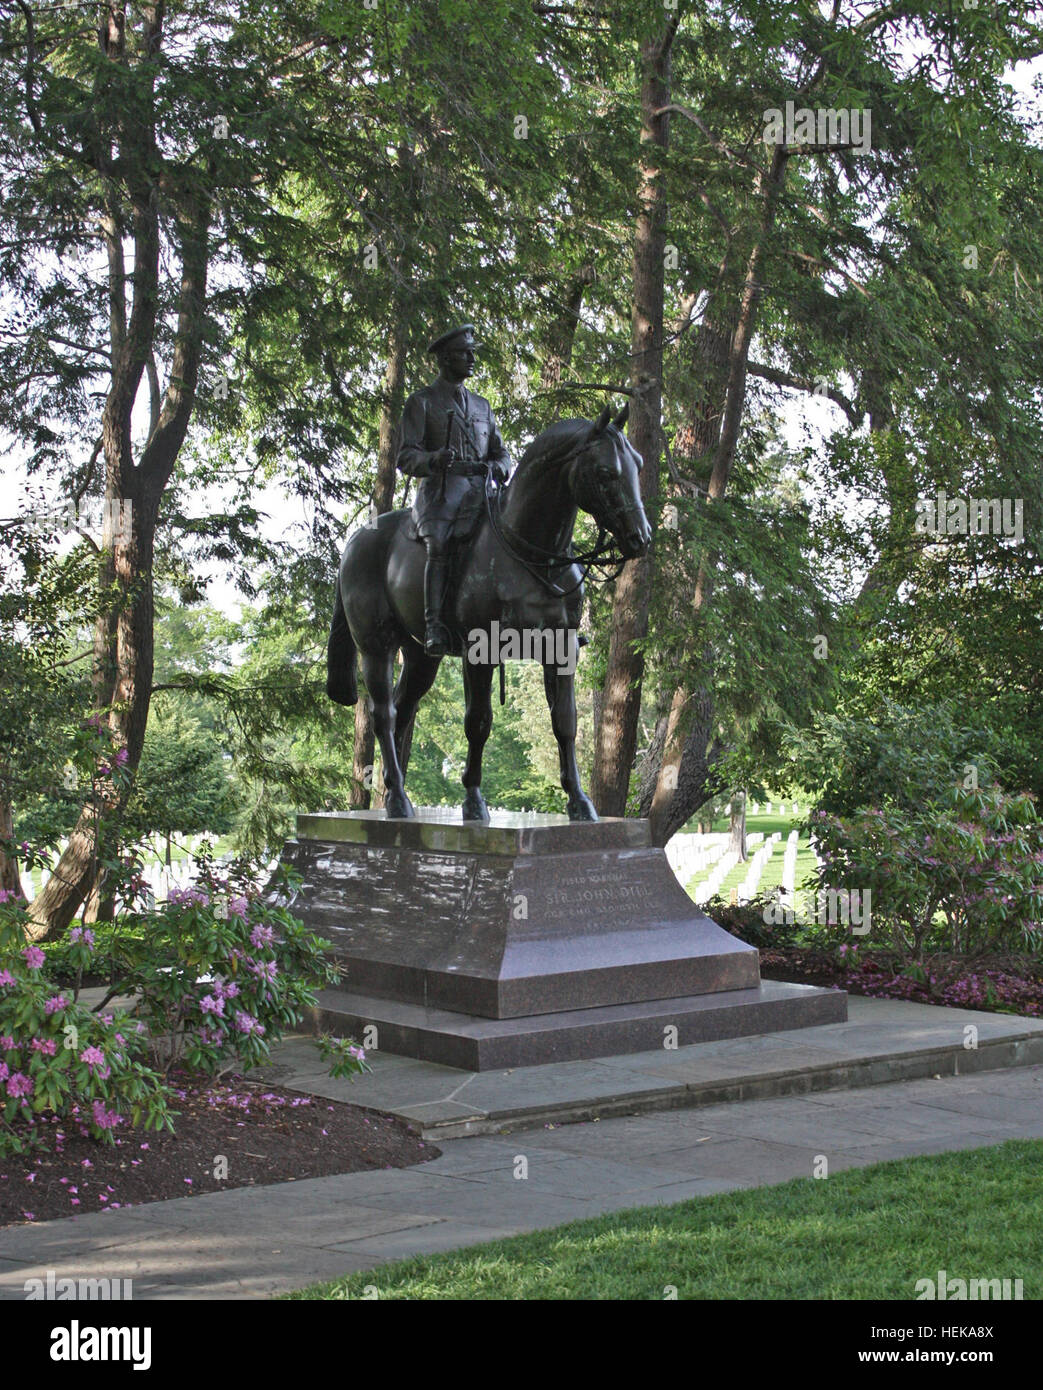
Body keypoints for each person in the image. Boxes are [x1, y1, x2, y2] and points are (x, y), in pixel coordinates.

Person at [396, 324, 512, 656]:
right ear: (446, 359)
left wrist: (499, 467)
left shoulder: (482, 406)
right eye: (465, 353)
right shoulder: (422, 402)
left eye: (472, 352)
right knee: (439, 544)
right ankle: (434, 624)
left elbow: (501, 452)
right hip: (442, 494)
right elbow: (406, 456)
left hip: (480, 492)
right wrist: (433, 459)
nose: (472, 359)